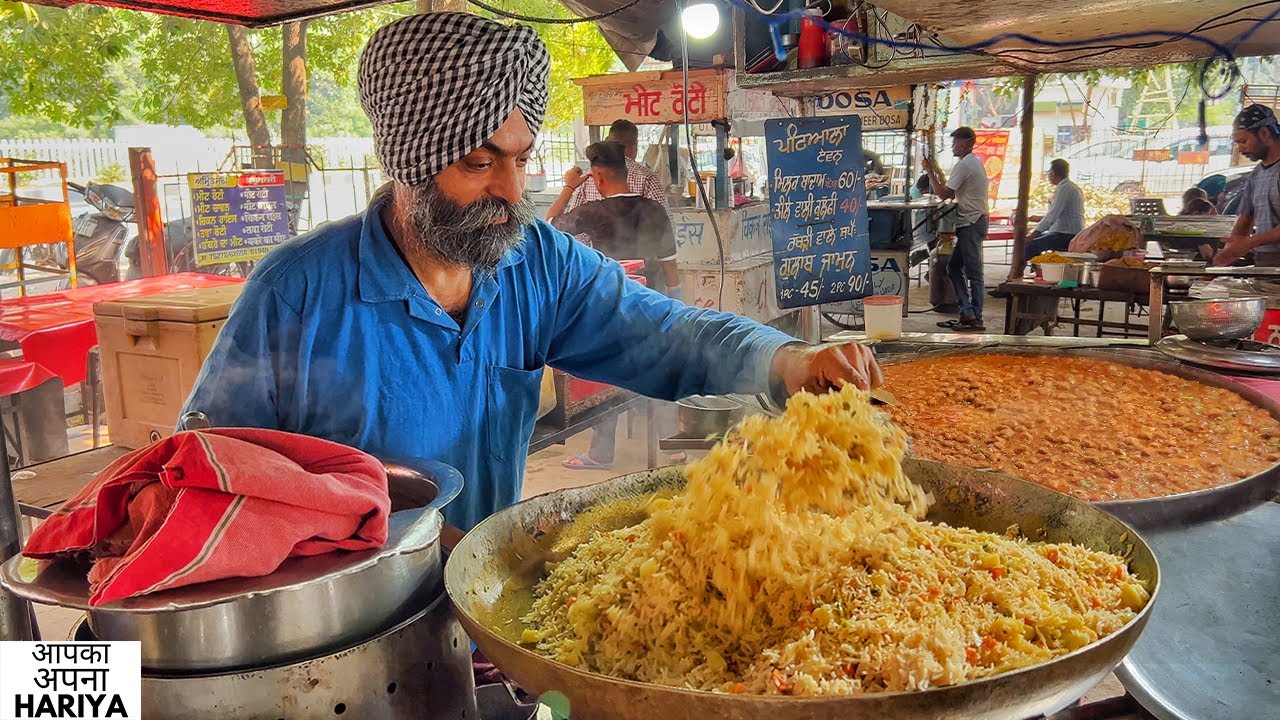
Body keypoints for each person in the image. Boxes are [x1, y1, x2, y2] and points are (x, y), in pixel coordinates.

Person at [181, 13, 884, 538]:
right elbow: (210, 478)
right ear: (408, 162)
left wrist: (787, 361)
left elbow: (669, 334)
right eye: (480, 164)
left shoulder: (535, 262)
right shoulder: (295, 294)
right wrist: (398, 545)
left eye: (520, 160)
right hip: (351, 634)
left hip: (487, 614)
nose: (512, 191)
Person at [550, 141, 682, 470]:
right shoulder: (654, 209)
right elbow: (670, 264)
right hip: (654, 304)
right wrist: (676, 304)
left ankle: (601, 453)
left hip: (610, 308)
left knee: (606, 376)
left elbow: (547, 226)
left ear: (597, 177)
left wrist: (569, 187)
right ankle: (672, 446)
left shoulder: (593, 211)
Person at [926, 127, 990, 332]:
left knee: (973, 272)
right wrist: (935, 170)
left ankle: (975, 316)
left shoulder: (965, 165)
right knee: (953, 268)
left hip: (971, 222)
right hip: (972, 221)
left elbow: (944, 194)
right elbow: (952, 189)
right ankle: (967, 311)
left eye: (954, 143)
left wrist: (929, 171)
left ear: (964, 144)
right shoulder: (971, 163)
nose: (952, 146)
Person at [546, 119, 666, 223]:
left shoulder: (588, 180)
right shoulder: (647, 178)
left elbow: (551, 224)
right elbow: (666, 227)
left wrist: (569, 186)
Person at [1215, 105, 1280, 266]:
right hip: (1264, 262)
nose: (1240, 149)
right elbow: (1245, 220)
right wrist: (1224, 258)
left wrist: (1251, 242)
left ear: (1264, 133)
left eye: (1243, 141)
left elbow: (1247, 241)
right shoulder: (1256, 175)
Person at [1026, 158, 1085, 258]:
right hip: (1066, 232)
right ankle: (1037, 265)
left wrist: (1033, 234)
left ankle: (1024, 267)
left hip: (1066, 235)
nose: (1048, 175)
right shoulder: (1070, 187)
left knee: (1029, 246)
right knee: (1034, 242)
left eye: (1049, 172)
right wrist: (1038, 219)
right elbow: (1060, 214)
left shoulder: (1065, 188)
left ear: (1053, 173)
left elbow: (1052, 216)